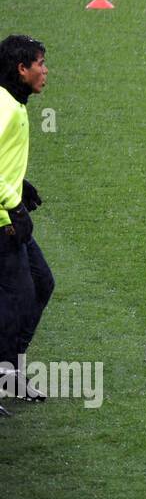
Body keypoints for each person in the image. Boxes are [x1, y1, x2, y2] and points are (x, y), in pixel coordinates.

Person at [0, 35, 54, 415]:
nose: (45, 71)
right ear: (22, 69)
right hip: (3, 222)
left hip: (9, 215)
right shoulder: (6, 109)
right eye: (40, 63)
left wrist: (21, 184)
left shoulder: (12, 103)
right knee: (16, 299)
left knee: (41, 283)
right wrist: (13, 203)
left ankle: (10, 372)